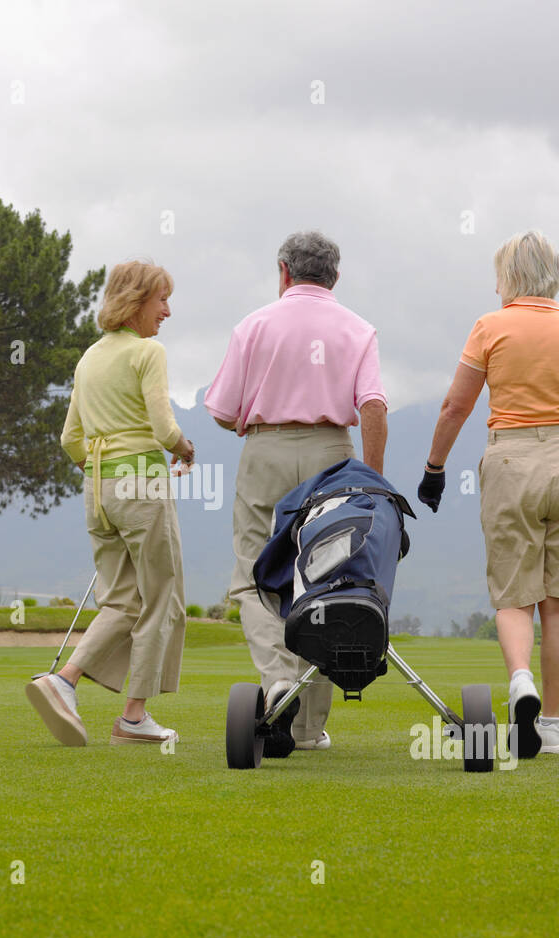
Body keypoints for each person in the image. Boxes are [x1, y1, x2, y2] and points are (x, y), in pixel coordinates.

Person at [416, 230, 559, 756]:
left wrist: (434, 468)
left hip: (510, 460)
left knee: (512, 591)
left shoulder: (491, 326)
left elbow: (455, 408)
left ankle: (519, 678)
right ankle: (550, 723)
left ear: (508, 277)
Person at [204, 231, 388, 754]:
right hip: (333, 453)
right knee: (328, 581)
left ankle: (277, 680)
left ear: (283, 270)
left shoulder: (253, 325)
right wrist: (370, 482)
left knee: (252, 576)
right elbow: (373, 406)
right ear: (335, 276)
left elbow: (221, 411)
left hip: (267, 449)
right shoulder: (359, 328)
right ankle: (306, 728)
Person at [26, 261, 195, 748]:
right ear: (137, 301)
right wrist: (185, 449)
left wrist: (101, 473)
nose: (167, 310)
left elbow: (68, 439)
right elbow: (164, 430)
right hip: (141, 483)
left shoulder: (89, 358)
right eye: (161, 299)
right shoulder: (148, 351)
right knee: (162, 599)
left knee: (122, 600)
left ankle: (63, 681)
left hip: (98, 490)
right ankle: (134, 715)